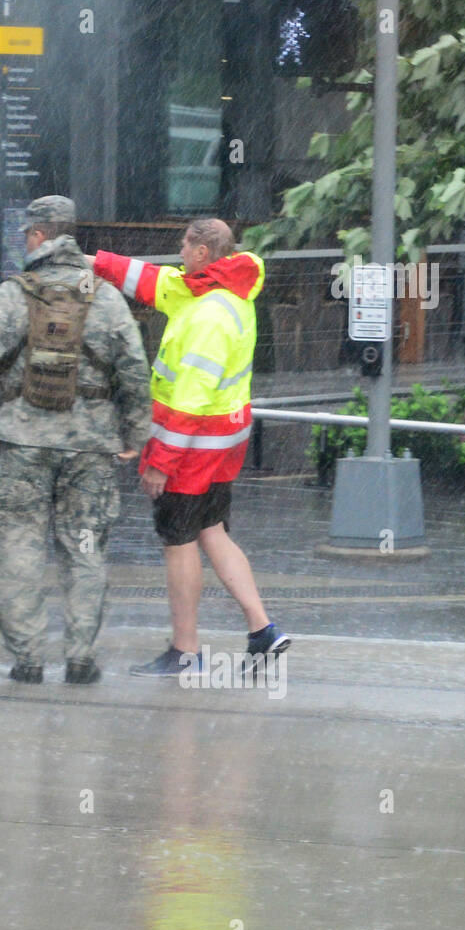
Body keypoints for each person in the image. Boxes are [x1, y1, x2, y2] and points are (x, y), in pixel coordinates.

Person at [0, 195, 151, 684]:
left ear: (39, 235)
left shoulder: (14, 294)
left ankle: (28, 660)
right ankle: (80, 657)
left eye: (27, 234)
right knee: (85, 550)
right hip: (92, 448)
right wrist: (135, 433)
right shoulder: (103, 295)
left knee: (19, 548)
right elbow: (136, 371)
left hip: (23, 444)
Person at [85, 218, 291, 677]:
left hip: (193, 446)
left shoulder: (208, 315)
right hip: (224, 442)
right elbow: (150, 280)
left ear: (201, 251)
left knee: (178, 541)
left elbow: (190, 401)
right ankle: (263, 631)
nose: (177, 250)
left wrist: (159, 462)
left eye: (183, 244)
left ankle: (186, 652)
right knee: (211, 530)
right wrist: (90, 262)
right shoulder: (219, 291)